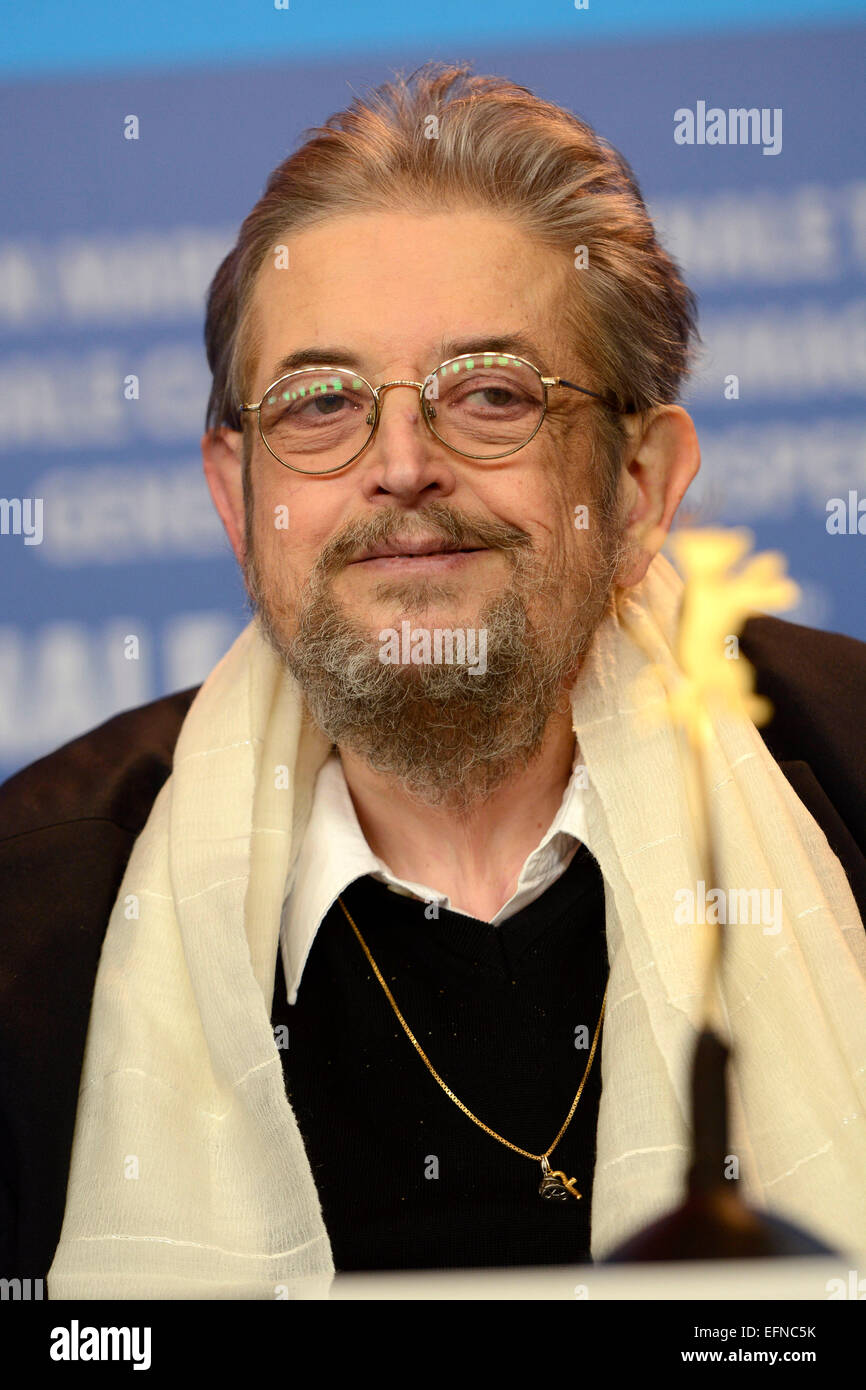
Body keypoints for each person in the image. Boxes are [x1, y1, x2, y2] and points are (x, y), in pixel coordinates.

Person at [2, 63, 865, 1300]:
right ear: (237, 503)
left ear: (634, 490)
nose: (400, 463)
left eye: (492, 394)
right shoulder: (33, 924)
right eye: (318, 404)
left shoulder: (845, 783)